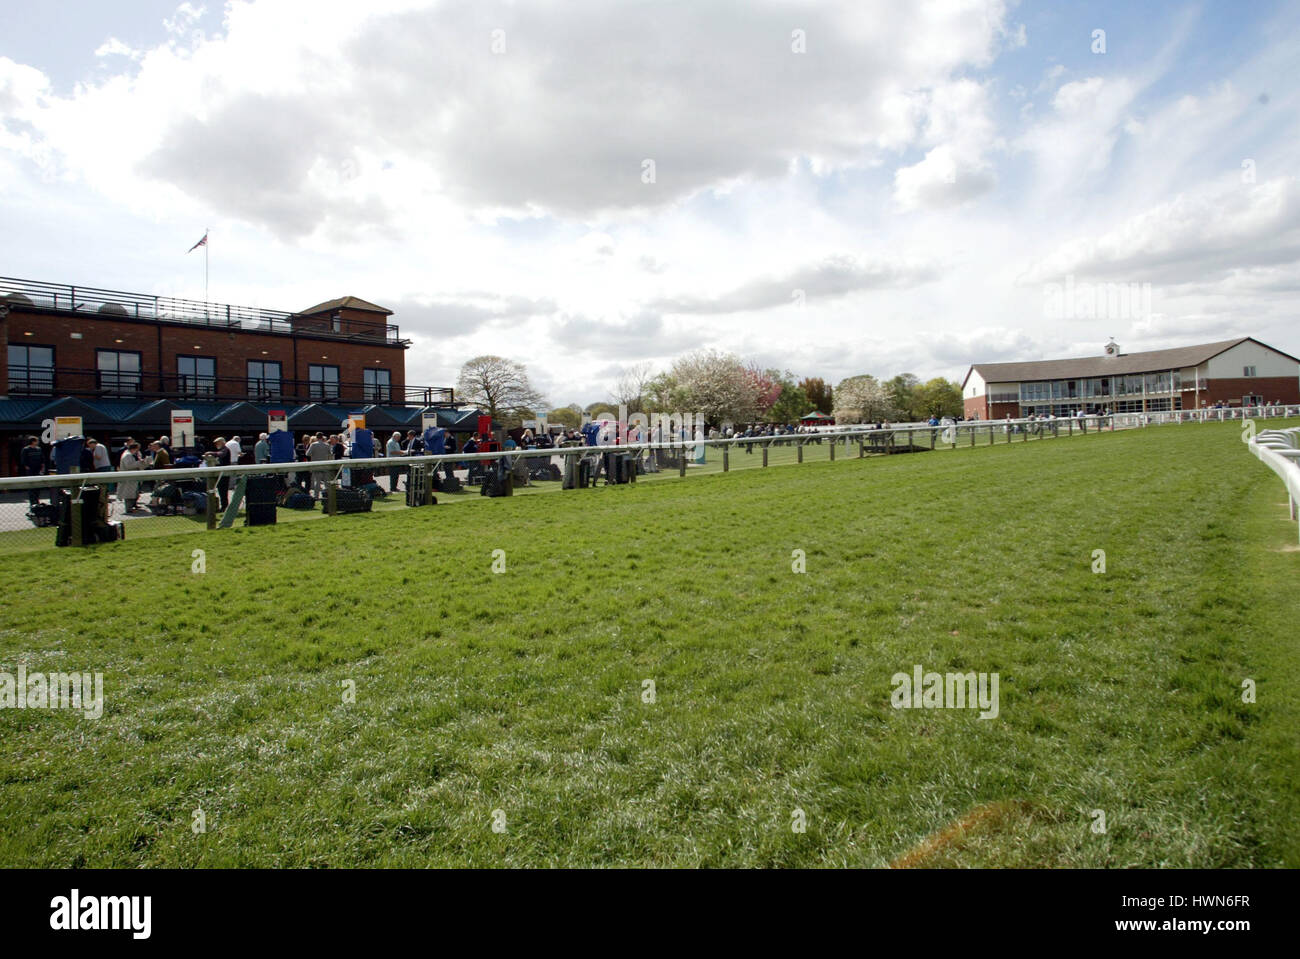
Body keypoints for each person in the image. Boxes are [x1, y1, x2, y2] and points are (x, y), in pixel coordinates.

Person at [117, 441, 144, 512]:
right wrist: (139, 463)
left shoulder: (130, 454)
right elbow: (129, 465)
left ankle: (132, 506)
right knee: (128, 494)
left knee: (134, 492)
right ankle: (129, 508)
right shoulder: (127, 455)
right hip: (128, 477)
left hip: (132, 477)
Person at [19, 435, 45, 507]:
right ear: (33, 441)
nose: (38, 442)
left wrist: (42, 467)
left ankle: (37, 500)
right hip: (30, 470)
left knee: (37, 485)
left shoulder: (39, 449)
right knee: (31, 486)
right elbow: (23, 459)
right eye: (36, 441)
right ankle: (32, 502)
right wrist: (27, 467)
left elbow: (42, 458)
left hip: (38, 469)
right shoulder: (26, 449)